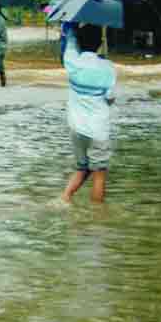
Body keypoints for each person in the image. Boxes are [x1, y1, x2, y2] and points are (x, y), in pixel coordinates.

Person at [60, 23, 116, 203]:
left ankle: (64, 198)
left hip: (76, 127)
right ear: (100, 43)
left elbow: (69, 39)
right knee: (99, 174)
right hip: (98, 128)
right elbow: (110, 98)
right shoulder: (107, 67)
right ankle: (97, 216)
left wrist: (71, 28)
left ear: (80, 42)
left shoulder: (72, 61)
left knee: (82, 168)